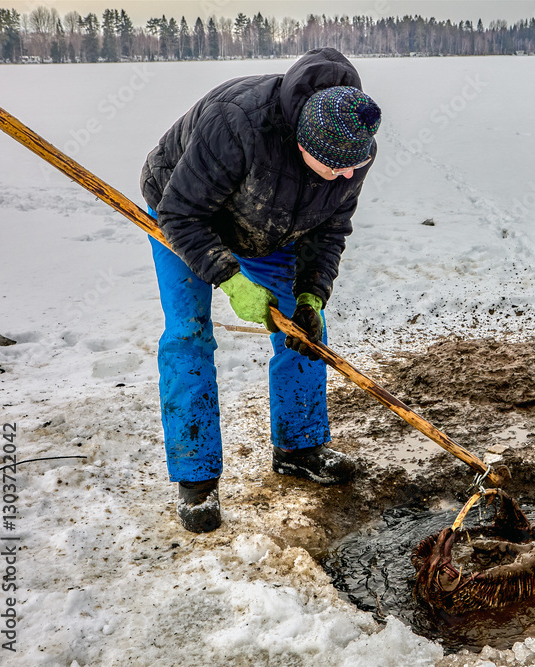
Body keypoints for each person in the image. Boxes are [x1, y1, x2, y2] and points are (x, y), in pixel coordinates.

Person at [140, 48, 380, 533]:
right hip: (183, 215)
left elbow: (329, 231)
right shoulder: (237, 123)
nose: (349, 176)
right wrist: (230, 279)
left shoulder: (352, 141)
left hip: (270, 224)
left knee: (305, 332)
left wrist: (312, 294)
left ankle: (299, 446)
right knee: (189, 334)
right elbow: (179, 213)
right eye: (336, 167)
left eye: (355, 167)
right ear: (300, 141)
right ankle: (196, 480)